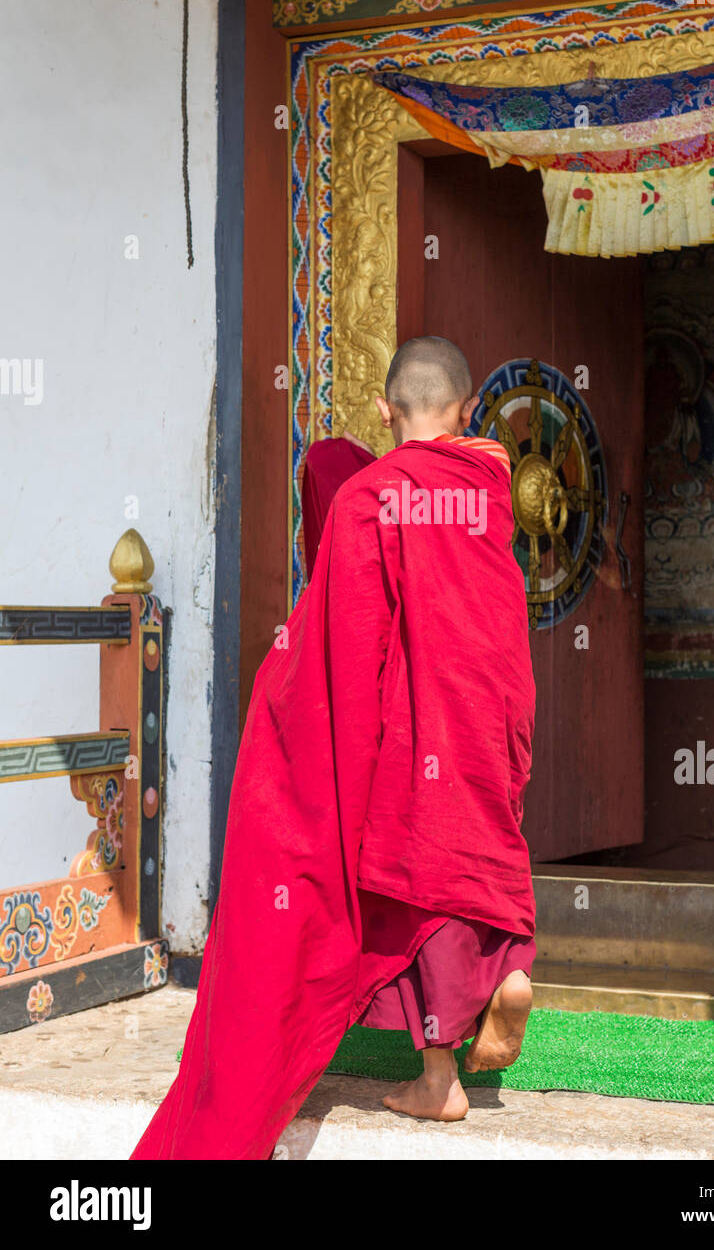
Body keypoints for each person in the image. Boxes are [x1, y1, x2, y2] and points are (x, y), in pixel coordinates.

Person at [131, 335, 535, 1160]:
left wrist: (291, 723)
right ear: (466, 412)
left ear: (387, 411)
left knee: (411, 874)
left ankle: (439, 1076)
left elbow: (343, 643)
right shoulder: (488, 489)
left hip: (414, 721)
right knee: (466, 857)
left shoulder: (369, 498)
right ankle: (496, 992)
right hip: (487, 710)